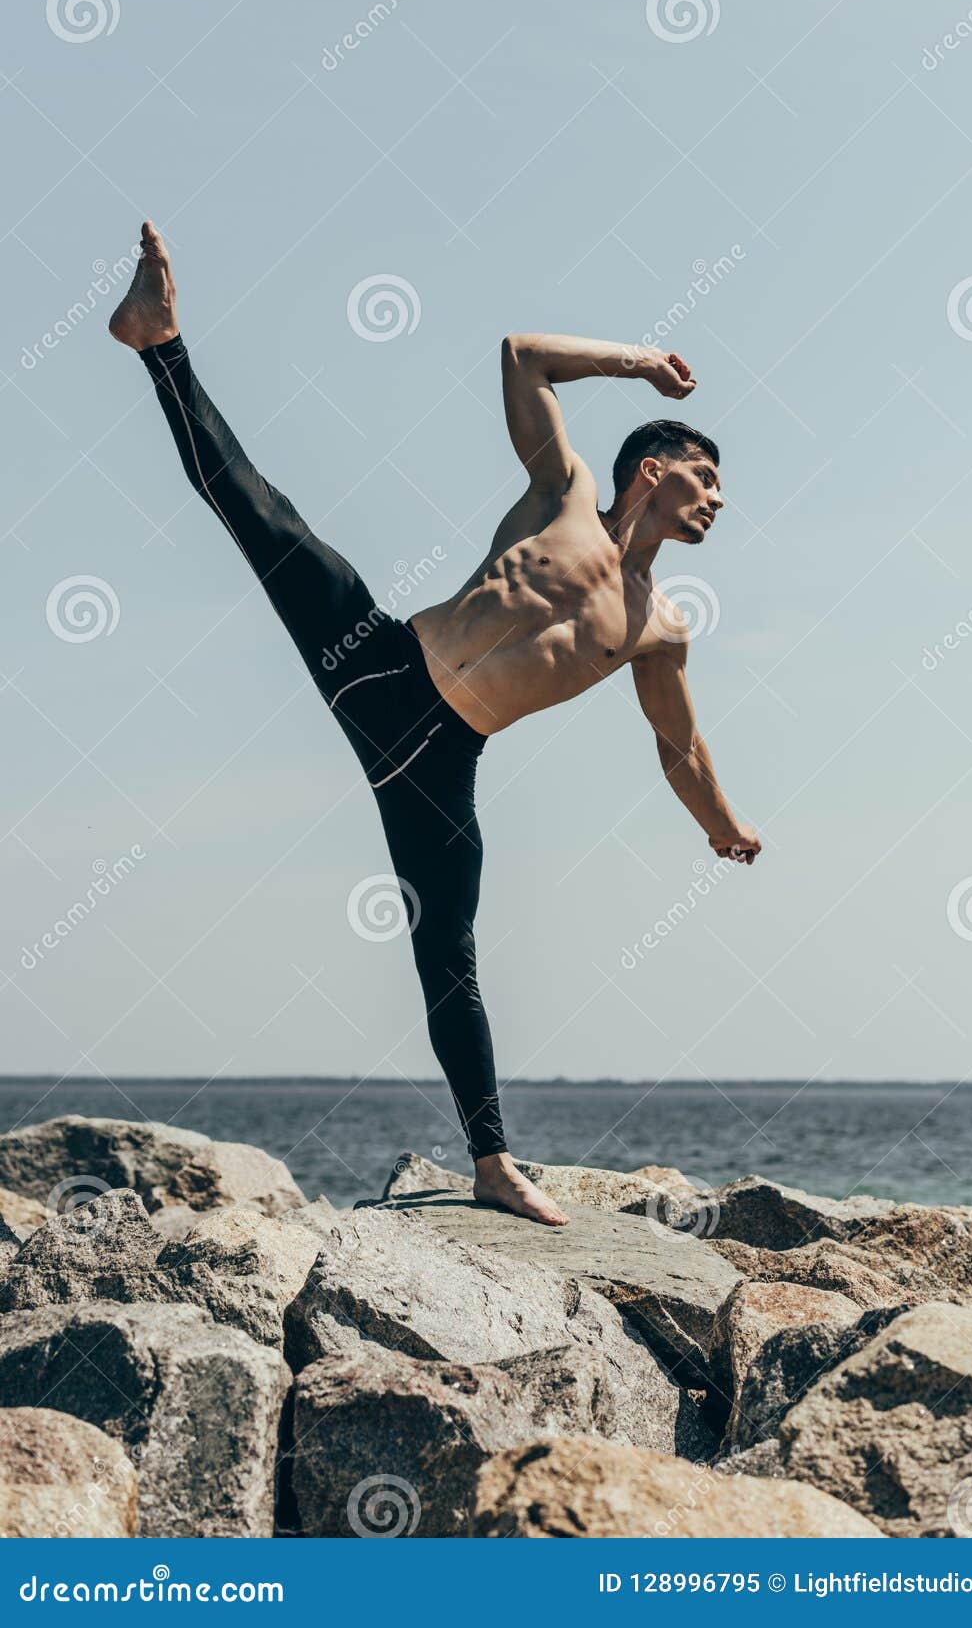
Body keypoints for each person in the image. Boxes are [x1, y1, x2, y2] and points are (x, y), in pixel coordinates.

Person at [109, 220, 761, 1226]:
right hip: (375, 661)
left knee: (447, 951)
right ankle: (158, 338)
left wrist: (718, 823)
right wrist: (639, 363)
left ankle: (492, 1161)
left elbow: (678, 745)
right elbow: (521, 355)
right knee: (257, 508)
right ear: (654, 467)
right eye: (705, 477)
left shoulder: (661, 628)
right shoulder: (567, 493)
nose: (717, 498)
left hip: (442, 759)